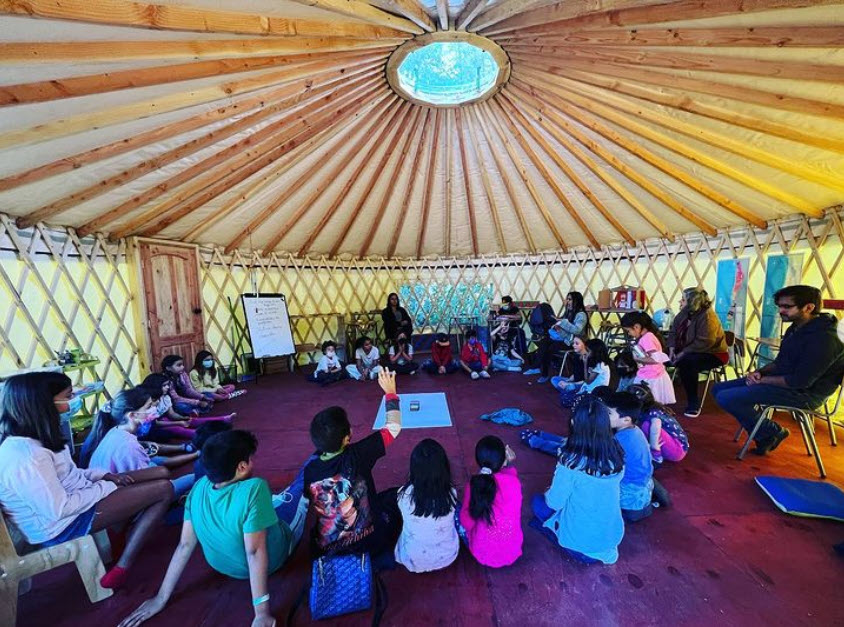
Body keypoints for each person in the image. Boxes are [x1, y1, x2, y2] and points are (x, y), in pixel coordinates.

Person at [117, 429, 311, 627]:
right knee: (300, 487)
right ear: (242, 466)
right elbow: (254, 552)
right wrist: (261, 613)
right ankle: (314, 458)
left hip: (222, 566)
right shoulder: (255, 487)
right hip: (273, 559)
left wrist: (161, 598)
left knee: (271, 504)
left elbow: (184, 545)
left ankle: (277, 501)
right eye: (250, 459)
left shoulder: (199, 487)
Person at [0, 372, 173, 590]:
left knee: (159, 474)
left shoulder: (41, 437)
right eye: (68, 396)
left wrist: (105, 475)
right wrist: (106, 486)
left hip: (78, 499)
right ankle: (123, 565)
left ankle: (118, 533)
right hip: (59, 526)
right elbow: (59, 509)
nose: (74, 401)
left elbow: (71, 475)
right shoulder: (26, 456)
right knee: (164, 490)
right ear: (43, 402)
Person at [713, 285, 844, 456]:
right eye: (779, 306)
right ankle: (765, 431)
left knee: (726, 397)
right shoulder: (796, 328)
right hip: (784, 381)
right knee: (718, 389)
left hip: (805, 394)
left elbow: (799, 382)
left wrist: (762, 381)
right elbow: (780, 362)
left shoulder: (826, 339)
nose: (781, 311)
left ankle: (770, 431)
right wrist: (760, 372)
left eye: (787, 306)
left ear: (809, 307)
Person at [304, 369, 402, 562]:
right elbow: (393, 427)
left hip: (327, 549)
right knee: (396, 499)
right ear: (346, 438)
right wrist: (391, 393)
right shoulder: (358, 454)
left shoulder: (310, 471)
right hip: (368, 545)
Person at [529, 396, 624, 564]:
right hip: (611, 539)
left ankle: (554, 533)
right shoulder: (616, 454)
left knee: (537, 501)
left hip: (580, 545)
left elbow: (554, 503)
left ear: (573, 423)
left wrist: (548, 491)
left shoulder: (571, 462)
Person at [82, 388, 198, 500]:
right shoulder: (129, 446)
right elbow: (147, 481)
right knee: (194, 477)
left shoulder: (115, 430)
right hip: (120, 497)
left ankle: (195, 454)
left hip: (112, 484)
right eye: (149, 406)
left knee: (155, 462)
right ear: (132, 415)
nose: (154, 408)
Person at [394, 439, 459, 573]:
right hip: (447, 556)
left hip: (413, 558)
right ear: (444, 469)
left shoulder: (403, 495)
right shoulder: (451, 493)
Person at [458, 436, 523, 568]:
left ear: (478, 461)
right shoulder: (514, 482)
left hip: (482, 554)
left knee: (457, 511)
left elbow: (467, 523)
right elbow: (509, 477)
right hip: (512, 552)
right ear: (504, 460)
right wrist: (508, 464)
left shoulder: (474, 486)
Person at [668, 288, 728, 417]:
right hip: (688, 350)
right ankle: (657, 397)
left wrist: (682, 353)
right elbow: (673, 331)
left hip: (712, 353)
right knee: (659, 356)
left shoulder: (707, 316)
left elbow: (705, 342)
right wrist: (671, 350)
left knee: (687, 363)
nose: (680, 301)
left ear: (692, 302)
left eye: (683, 299)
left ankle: (693, 402)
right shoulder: (684, 313)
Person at [604, 392, 657, 522]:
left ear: (626, 419)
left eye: (609, 413)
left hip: (629, 492)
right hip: (643, 483)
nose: (604, 415)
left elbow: (605, 467)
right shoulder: (635, 430)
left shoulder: (620, 439)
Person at [140, 373, 234, 442]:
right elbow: (155, 423)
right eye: (164, 385)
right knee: (177, 428)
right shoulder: (150, 402)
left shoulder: (166, 398)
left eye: (168, 385)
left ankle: (222, 420)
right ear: (155, 386)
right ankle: (205, 436)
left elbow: (172, 414)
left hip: (165, 420)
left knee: (190, 420)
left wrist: (183, 418)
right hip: (154, 427)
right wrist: (178, 422)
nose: (168, 387)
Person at [525, 292, 587, 383]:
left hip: (573, 342)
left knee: (549, 348)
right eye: (567, 299)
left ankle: (543, 372)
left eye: (570, 299)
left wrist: (562, 323)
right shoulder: (569, 312)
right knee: (544, 342)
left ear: (576, 301)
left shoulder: (581, 315)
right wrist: (556, 324)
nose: (567, 301)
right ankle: (538, 368)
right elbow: (562, 323)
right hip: (563, 338)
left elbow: (577, 330)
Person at [620, 311, 676, 405]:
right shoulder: (648, 336)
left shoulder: (647, 338)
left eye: (628, 331)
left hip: (651, 377)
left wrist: (637, 359)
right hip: (651, 374)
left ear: (637, 327)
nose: (629, 334)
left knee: (647, 403)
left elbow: (655, 359)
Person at [628, 384, 689, 464]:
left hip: (677, 450)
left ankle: (656, 455)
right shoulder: (651, 408)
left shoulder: (652, 412)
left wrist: (655, 449)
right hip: (676, 447)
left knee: (647, 425)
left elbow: (655, 428)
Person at [551, 337, 611, 407]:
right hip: (584, 386)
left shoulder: (600, 365)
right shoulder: (579, 357)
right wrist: (569, 381)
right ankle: (570, 390)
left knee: (564, 398)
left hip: (591, 391)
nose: (573, 345)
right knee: (555, 380)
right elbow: (578, 376)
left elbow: (587, 381)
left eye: (577, 343)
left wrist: (585, 364)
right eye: (573, 343)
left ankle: (572, 392)